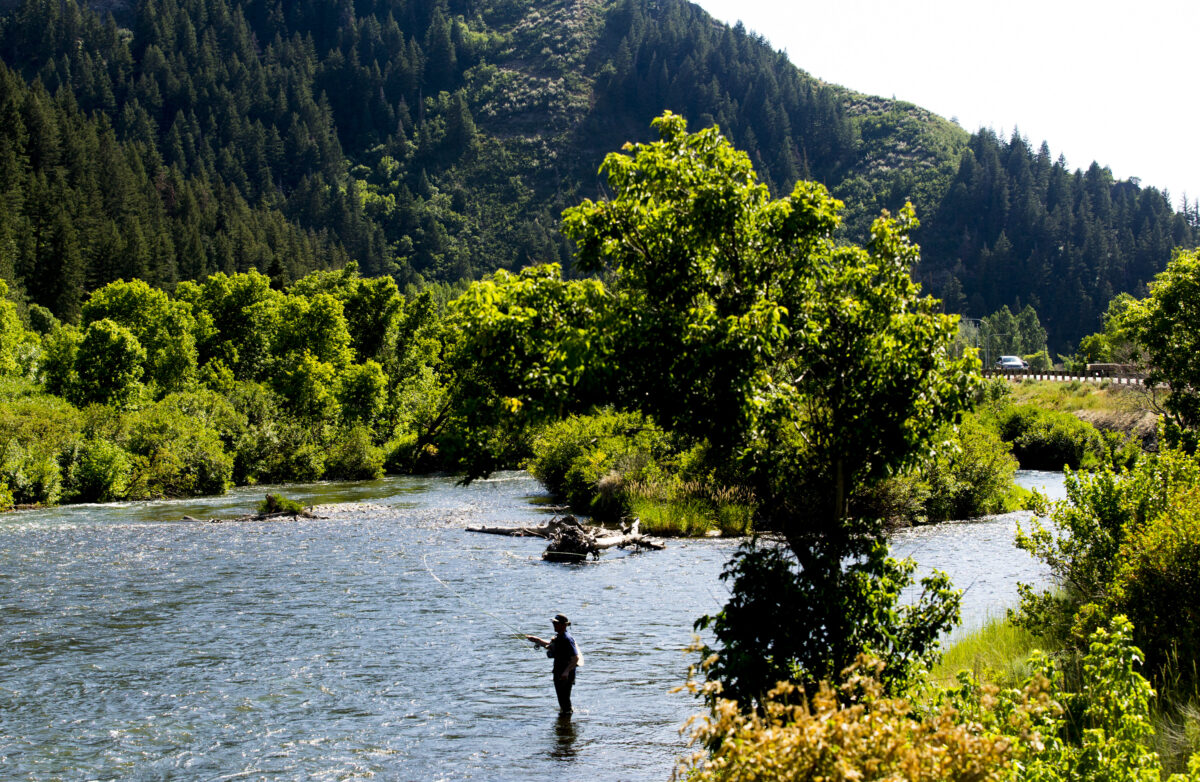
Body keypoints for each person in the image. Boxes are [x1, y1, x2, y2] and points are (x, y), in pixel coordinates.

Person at [526, 614, 580, 713]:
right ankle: (566, 722)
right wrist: (537, 640)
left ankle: (566, 719)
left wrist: (566, 672)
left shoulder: (567, 639)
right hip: (559, 672)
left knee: (564, 701)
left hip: (565, 675)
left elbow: (576, 658)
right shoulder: (559, 637)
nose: (554, 625)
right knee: (562, 700)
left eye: (556, 623)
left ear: (564, 625)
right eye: (553, 623)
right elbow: (550, 646)